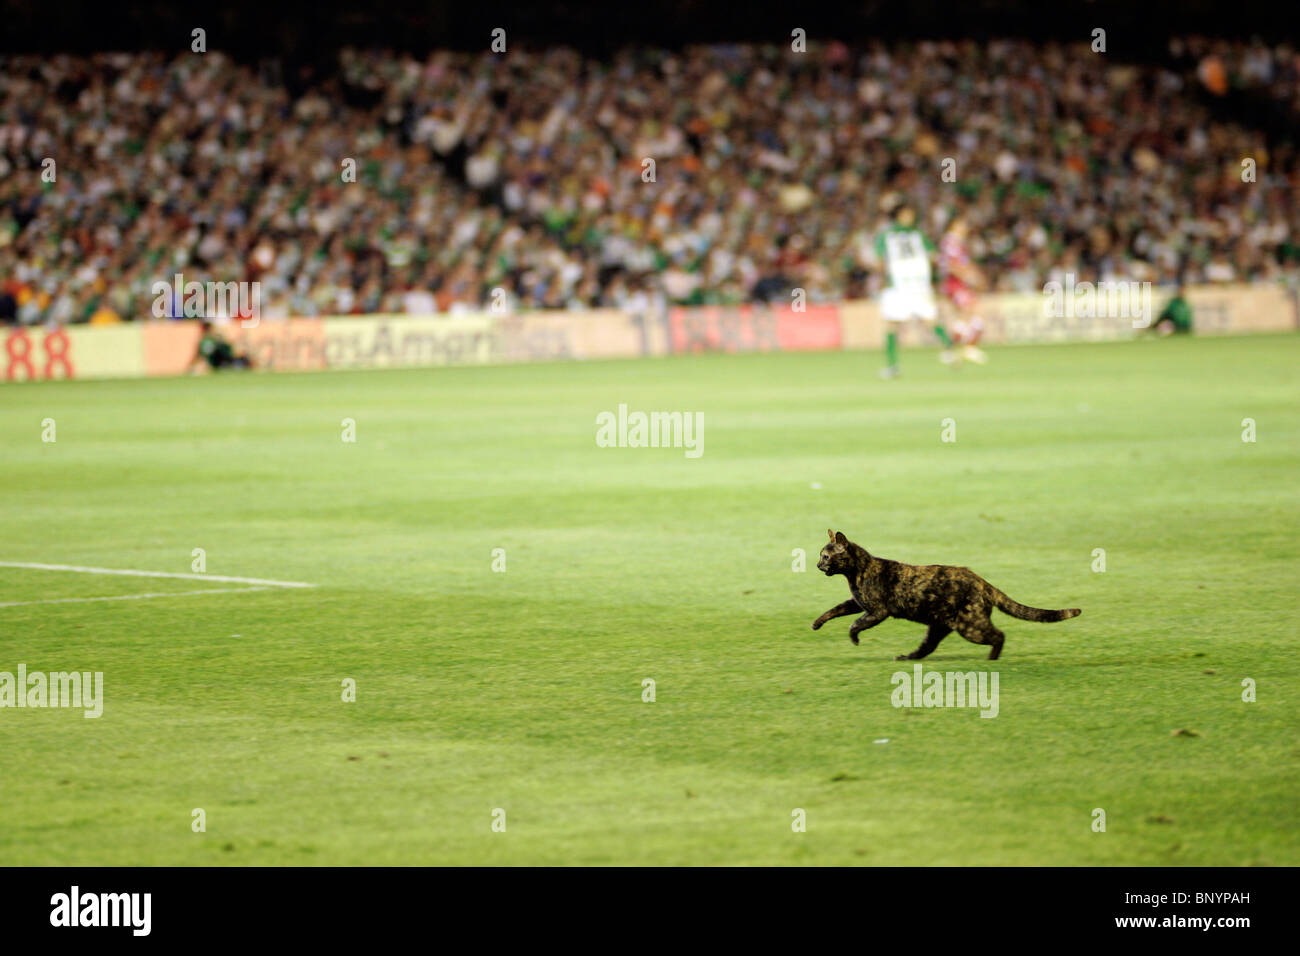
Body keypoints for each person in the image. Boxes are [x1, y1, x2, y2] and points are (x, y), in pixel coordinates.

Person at [875, 205, 955, 379]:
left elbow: (880, 261)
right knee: (924, 320)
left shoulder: (886, 235)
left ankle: (893, 366)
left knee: (899, 324)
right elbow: (934, 256)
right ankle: (949, 349)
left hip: (901, 284)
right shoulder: (918, 234)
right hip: (916, 283)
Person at [938, 214, 988, 364]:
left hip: (960, 283)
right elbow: (953, 266)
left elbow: (964, 263)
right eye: (961, 224)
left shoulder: (958, 242)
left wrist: (975, 275)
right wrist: (970, 278)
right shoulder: (950, 241)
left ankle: (967, 348)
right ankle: (954, 349)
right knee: (968, 312)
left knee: (971, 313)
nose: (964, 228)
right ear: (953, 226)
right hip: (955, 283)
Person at [189, 321, 253, 372]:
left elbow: (198, 355)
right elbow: (228, 351)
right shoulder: (213, 339)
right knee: (243, 360)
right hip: (223, 363)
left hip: (220, 363)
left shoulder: (205, 340)